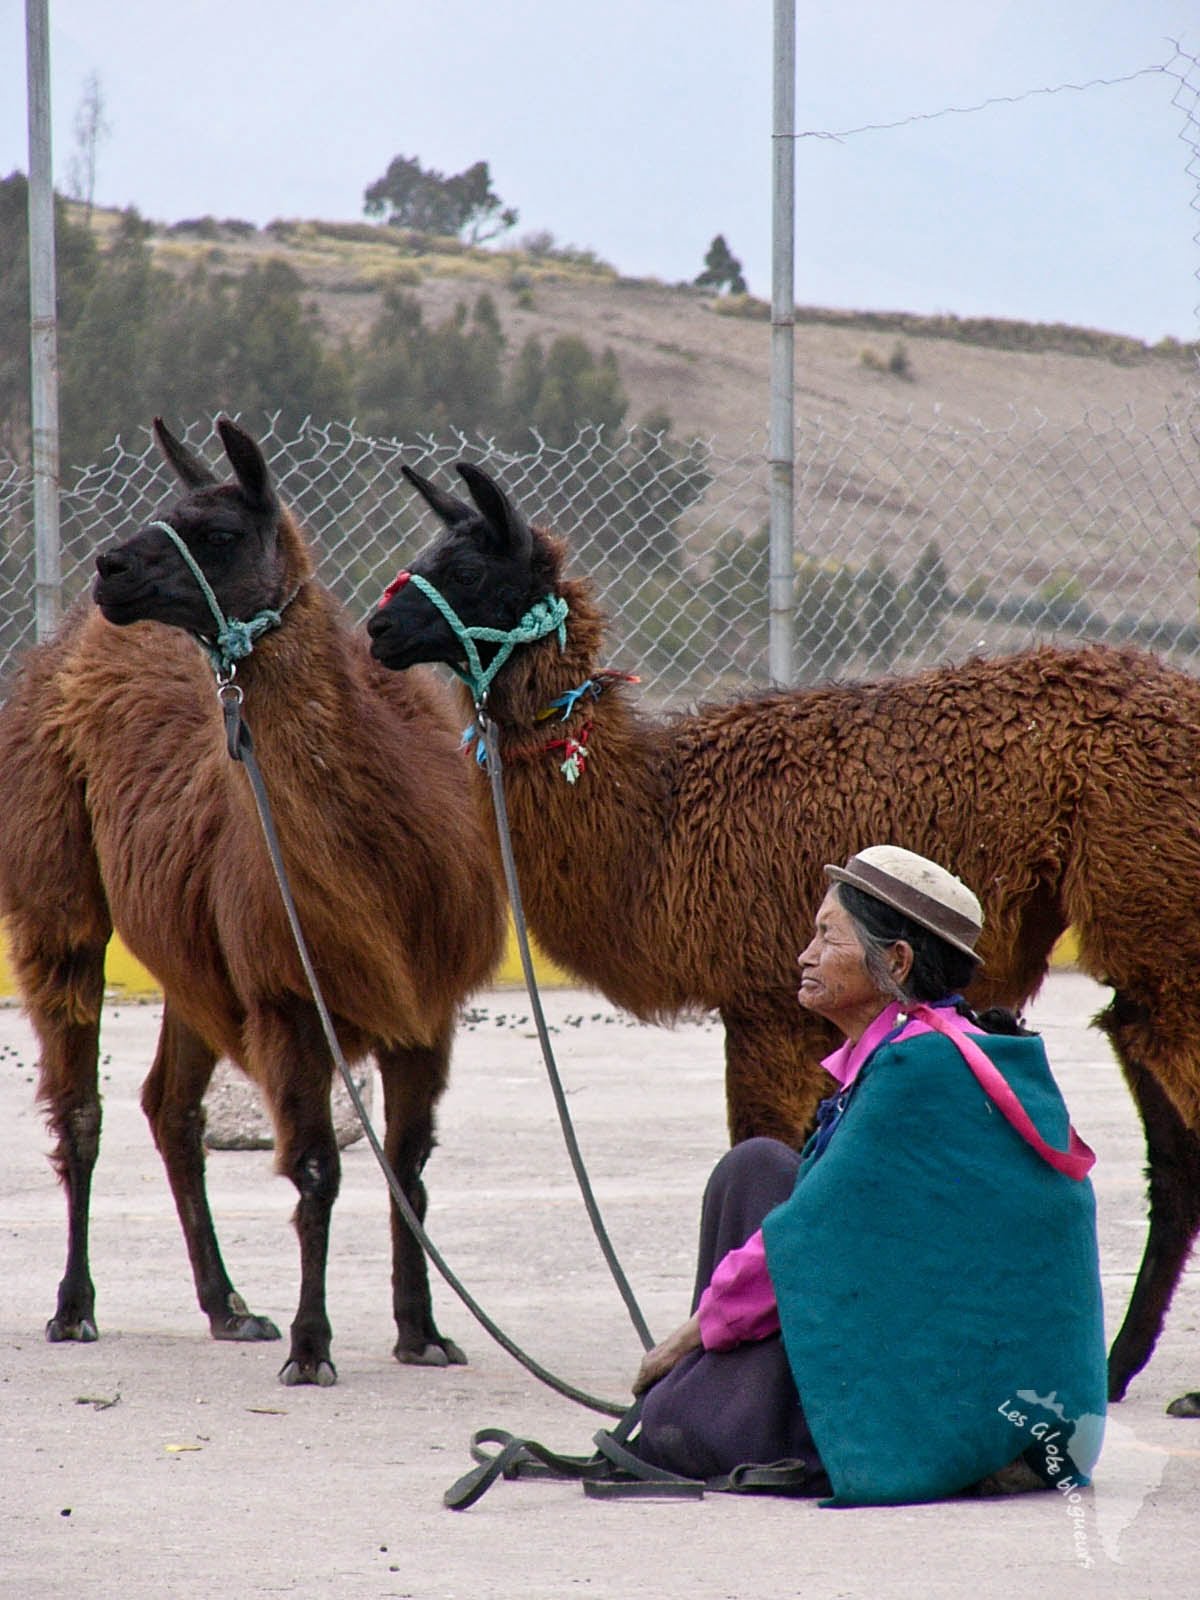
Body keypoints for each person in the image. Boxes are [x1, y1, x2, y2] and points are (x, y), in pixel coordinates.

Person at [631, 844, 1107, 1506]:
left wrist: (684, 1342)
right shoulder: (920, 1052)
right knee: (756, 1169)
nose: (805, 954)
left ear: (898, 961)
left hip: (993, 1412)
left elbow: (806, 1238)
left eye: (826, 936)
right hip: (947, 1352)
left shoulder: (919, 1073)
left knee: (671, 1424)